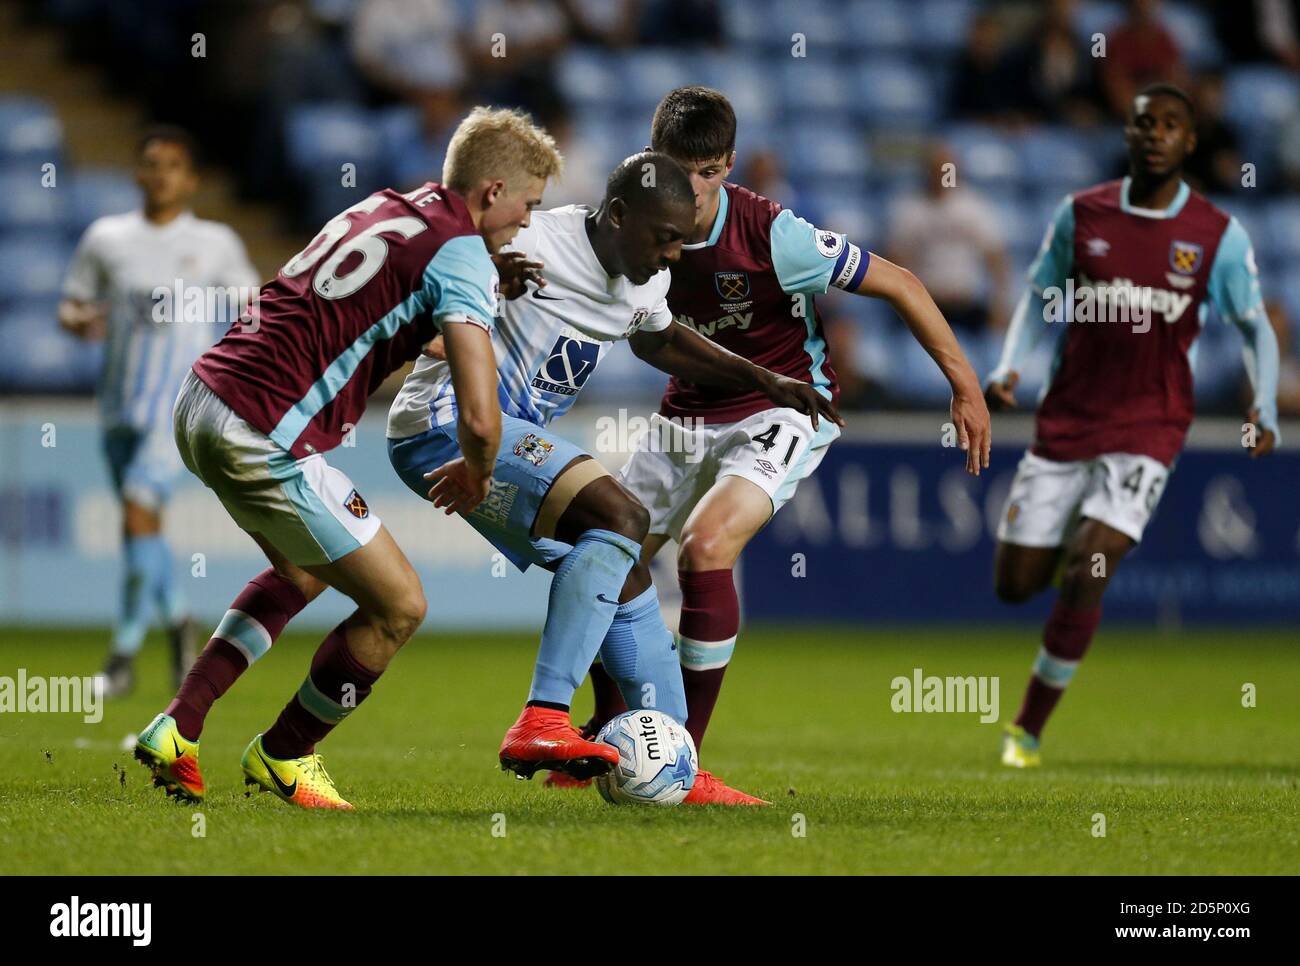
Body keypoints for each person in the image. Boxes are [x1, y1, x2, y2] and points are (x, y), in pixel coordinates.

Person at [132, 107, 562, 809]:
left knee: (300, 568)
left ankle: (178, 727)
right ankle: (285, 753)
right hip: (262, 428)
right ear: (490, 192)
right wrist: (480, 471)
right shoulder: (461, 255)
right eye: (526, 206)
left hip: (204, 396)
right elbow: (480, 416)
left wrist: (475, 288)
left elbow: (371, 320)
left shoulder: (390, 204)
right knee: (399, 606)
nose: (526, 223)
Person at [572, 87, 991, 802]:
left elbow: (903, 283)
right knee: (608, 555)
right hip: (685, 411)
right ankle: (609, 728)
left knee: (707, 550)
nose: (692, 190)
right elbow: (632, 333)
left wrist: (966, 388)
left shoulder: (773, 235)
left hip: (781, 404)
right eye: (678, 168)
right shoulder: (627, 218)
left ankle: (686, 761)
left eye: (707, 172)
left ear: (728, 166)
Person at [392, 152, 838, 801]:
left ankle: (677, 766)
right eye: (663, 239)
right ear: (620, 215)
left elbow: (659, 340)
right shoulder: (533, 241)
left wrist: (763, 378)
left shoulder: (644, 280)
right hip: (446, 424)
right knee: (623, 517)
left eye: (681, 243)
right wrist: (443, 319)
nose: (673, 256)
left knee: (623, 565)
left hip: (506, 440)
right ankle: (543, 718)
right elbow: (433, 273)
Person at [985, 84, 1280, 767]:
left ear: (1189, 141)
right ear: (1129, 132)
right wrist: (1008, 368)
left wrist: (1262, 405)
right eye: (1144, 122)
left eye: (1170, 125)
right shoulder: (1081, 214)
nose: (1155, 134)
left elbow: (1254, 326)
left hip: (1152, 422)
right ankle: (1069, 545)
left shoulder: (1216, 234)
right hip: (1068, 420)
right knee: (1014, 584)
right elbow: (1038, 298)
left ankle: (1027, 729)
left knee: (1092, 565)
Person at [59, 126, 259, 698]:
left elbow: (254, 308)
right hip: (117, 403)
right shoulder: (107, 238)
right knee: (138, 524)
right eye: (151, 163)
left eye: (173, 164)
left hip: (175, 408)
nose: (161, 173)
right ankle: (177, 621)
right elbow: (72, 302)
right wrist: (76, 319)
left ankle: (121, 657)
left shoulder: (215, 242)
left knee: (138, 513)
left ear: (190, 179)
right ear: (138, 173)